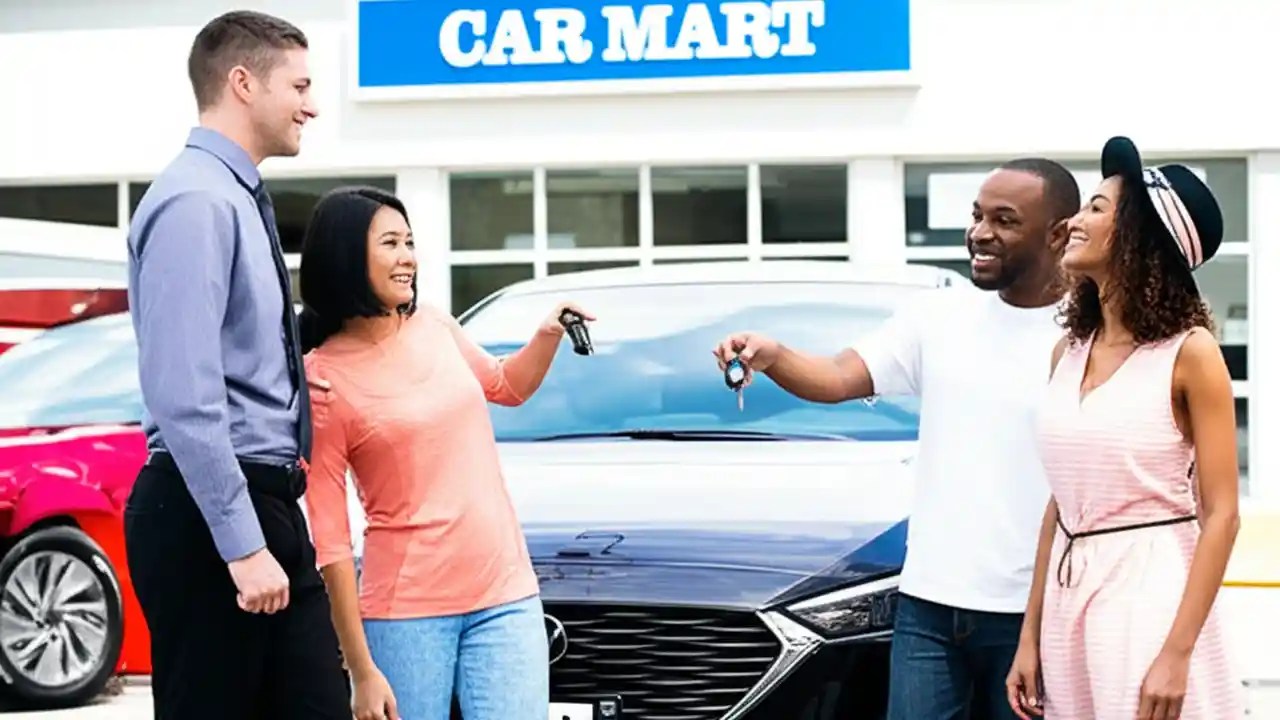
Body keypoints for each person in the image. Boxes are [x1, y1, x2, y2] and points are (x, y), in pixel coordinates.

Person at [713, 159, 1080, 719]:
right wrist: (776, 356)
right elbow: (838, 376)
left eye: (1005, 221)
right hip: (928, 609)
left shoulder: (1091, 333)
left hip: (1035, 613)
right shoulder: (939, 317)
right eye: (977, 216)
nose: (980, 233)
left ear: (1058, 233)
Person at [122, 10, 350, 720]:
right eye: (300, 86)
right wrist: (242, 544)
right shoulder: (197, 201)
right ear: (244, 84)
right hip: (211, 513)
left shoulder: (232, 196)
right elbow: (183, 394)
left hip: (262, 501)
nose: (312, 106)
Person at [296, 185, 593, 720]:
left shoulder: (433, 324)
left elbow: (505, 385)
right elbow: (332, 541)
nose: (407, 257)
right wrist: (361, 669)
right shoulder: (323, 380)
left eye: (409, 242)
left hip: (506, 594)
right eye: (390, 243)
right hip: (406, 614)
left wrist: (547, 333)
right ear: (345, 256)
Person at [1006, 136, 1244, 720]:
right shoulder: (1067, 352)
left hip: (1149, 596)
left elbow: (1222, 515)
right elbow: (1060, 504)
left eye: (1096, 208)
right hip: (1069, 596)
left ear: (1139, 237)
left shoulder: (1190, 353)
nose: (1074, 221)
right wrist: (1030, 635)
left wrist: (1177, 653)